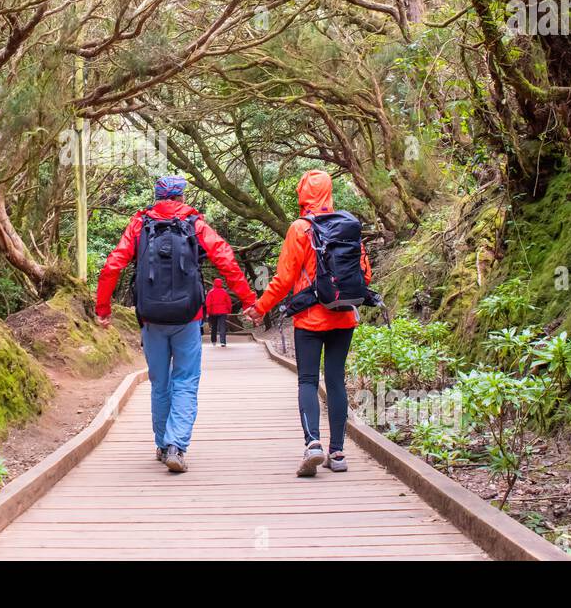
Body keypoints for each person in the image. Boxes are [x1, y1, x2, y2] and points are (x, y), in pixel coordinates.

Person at [96, 175, 256, 473]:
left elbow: (113, 265)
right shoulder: (194, 224)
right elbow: (226, 259)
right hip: (188, 317)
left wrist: (103, 307)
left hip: (151, 317)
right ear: (182, 198)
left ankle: (161, 443)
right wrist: (248, 300)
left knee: (160, 383)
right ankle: (175, 445)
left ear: (156, 197)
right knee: (185, 381)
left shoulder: (139, 224)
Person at [244, 169, 372, 477]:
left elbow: (284, 278)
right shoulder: (347, 224)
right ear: (329, 192)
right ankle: (338, 452)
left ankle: (313, 444)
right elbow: (365, 274)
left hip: (310, 320)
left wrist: (260, 308)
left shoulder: (300, 229)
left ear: (303, 194)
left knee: (307, 381)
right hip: (342, 316)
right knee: (336, 380)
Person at [204, 278, 233, 346]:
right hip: (223, 311)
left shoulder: (211, 292)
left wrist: (208, 312)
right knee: (222, 326)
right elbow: (229, 302)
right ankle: (223, 342)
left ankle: (214, 341)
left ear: (214, 283)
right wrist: (229, 310)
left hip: (213, 311)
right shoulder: (224, 292)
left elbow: (208, 303)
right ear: (221, 283)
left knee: (214, 326)